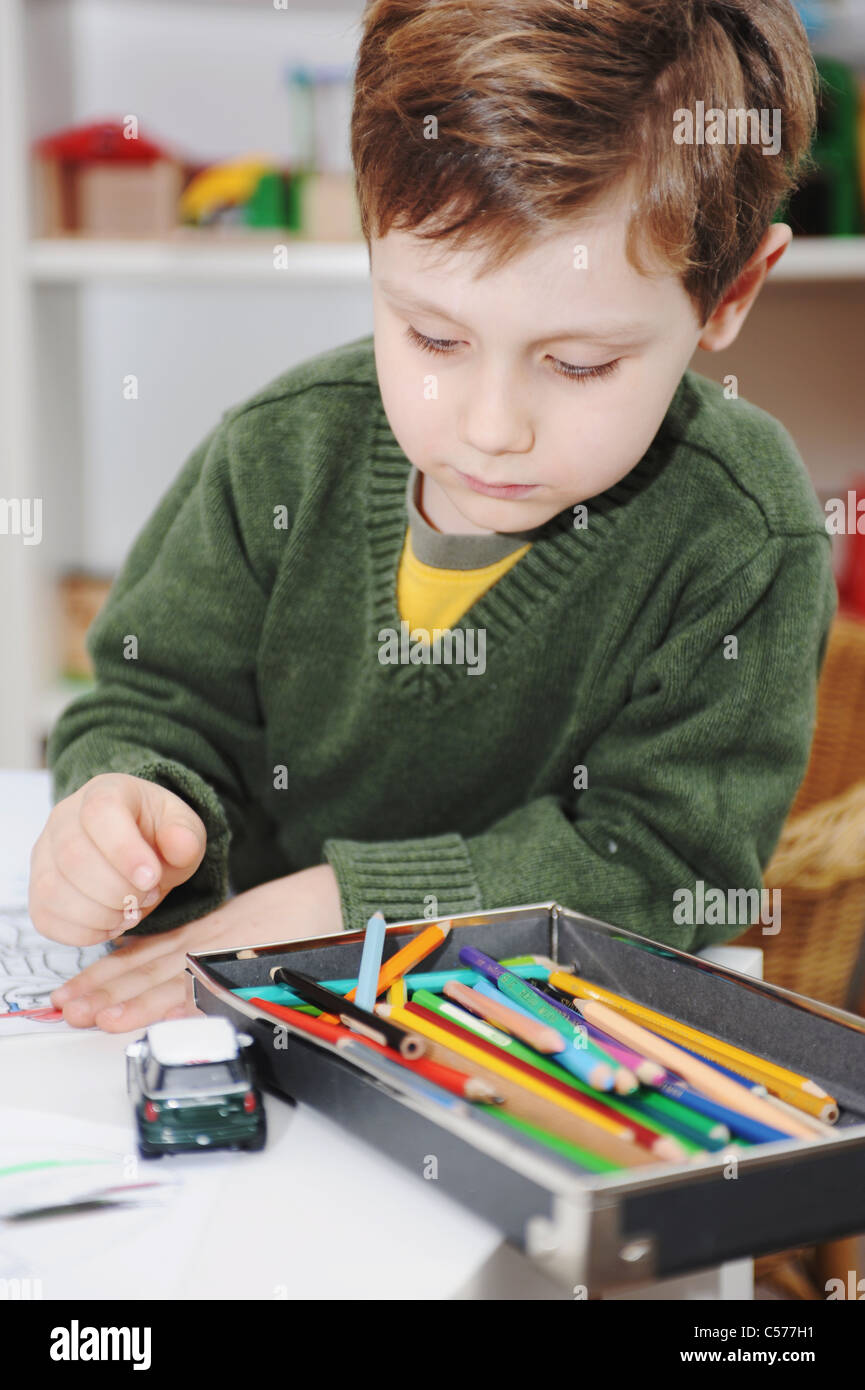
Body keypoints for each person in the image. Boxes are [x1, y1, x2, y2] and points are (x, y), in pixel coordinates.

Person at [32, 0, 835, 1032]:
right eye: (433, 337)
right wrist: (126, 806)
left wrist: (344, 908)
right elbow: (149, 706)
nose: (492, 426)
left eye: (579, 363)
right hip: (244, 1016)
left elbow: (666, 863)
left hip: (541, 1045)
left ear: (729, 295)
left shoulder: (741, 531)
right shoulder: (280, 451)